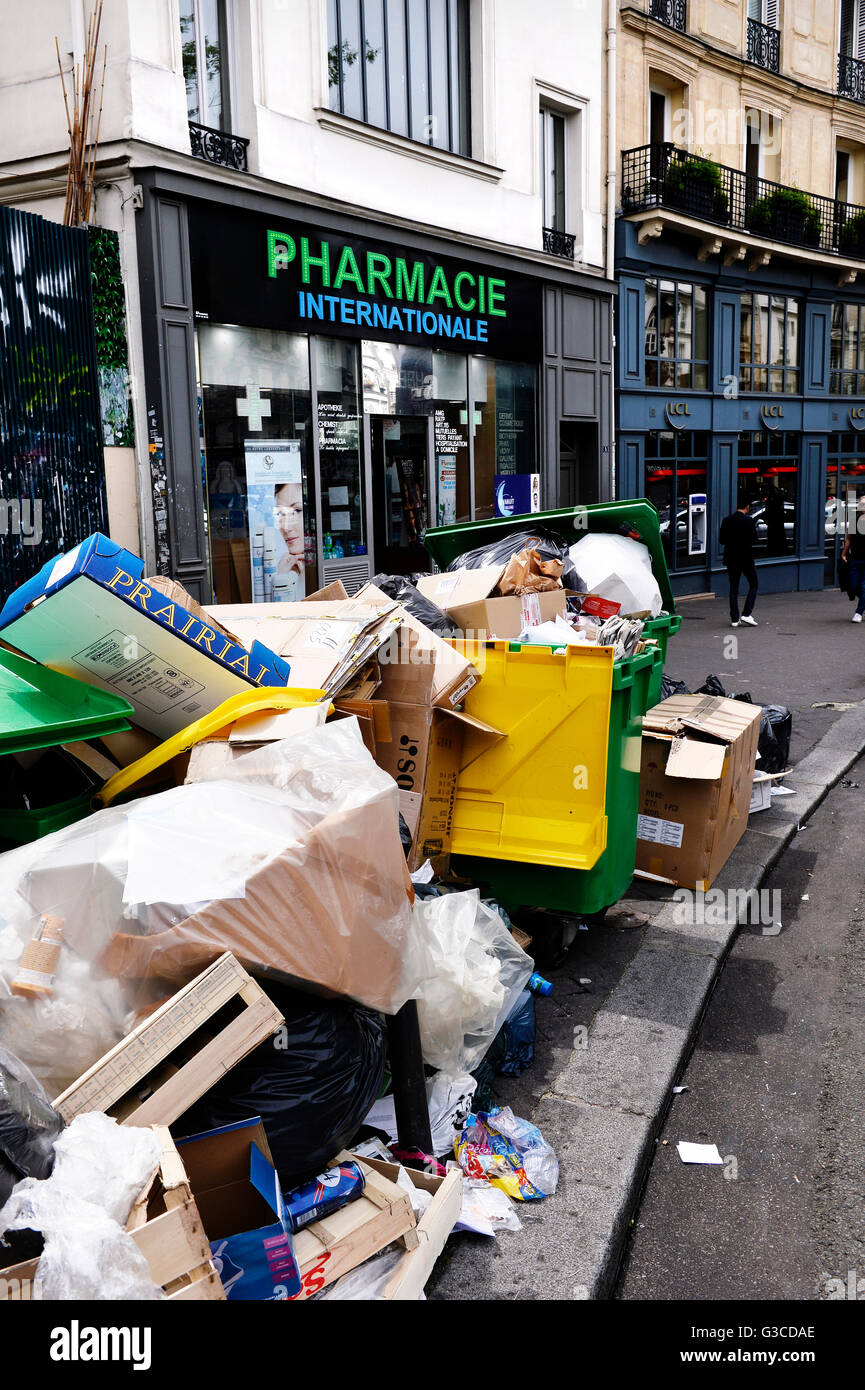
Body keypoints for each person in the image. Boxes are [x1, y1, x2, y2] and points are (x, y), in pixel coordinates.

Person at [720, 498, 759, 628]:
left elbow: (722, 540)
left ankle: (734, 619)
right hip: (746, 558)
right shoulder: (748, 521)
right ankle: (746, 613)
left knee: (733, 589)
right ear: (747, 507)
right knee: (753, 584)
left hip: (731, 558)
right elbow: (755, 539)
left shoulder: (727, 520)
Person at [273, 481, 306, 593]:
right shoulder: (285, 568)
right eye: (281, 514)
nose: (286, 527)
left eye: (297, 511)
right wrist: (281, 579)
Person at [841, 496, 865, 623]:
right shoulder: (854, 520)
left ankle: (859, 612)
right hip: (854, 558)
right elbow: (849, 538)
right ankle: (863, 602)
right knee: (853, 586)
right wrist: (844, 553)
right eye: (861, 504)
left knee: (863, 586)